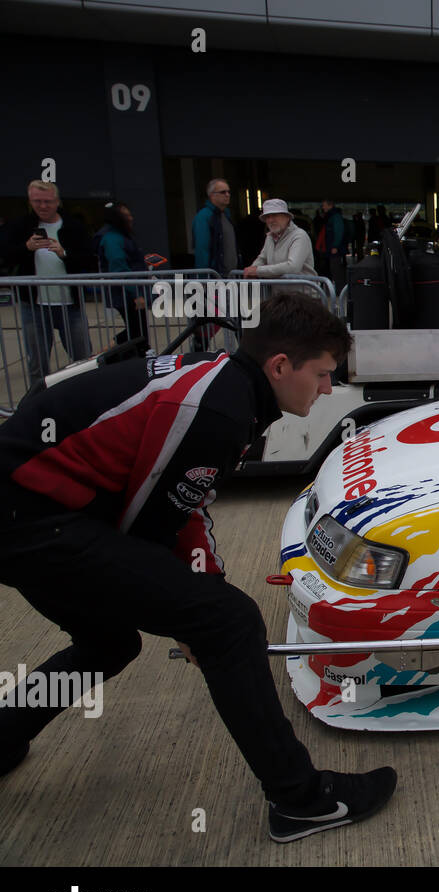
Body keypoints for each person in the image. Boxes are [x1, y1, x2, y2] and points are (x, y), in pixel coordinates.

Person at [0, 293, 397, 843]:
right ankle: (301, 801)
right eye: (324, 375)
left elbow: (181, 508)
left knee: (111, 643)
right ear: (280, 366)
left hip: (34, 510)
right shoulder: (218, 409)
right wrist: (196, 612)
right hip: (30, 517)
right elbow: (144, 529)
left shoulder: (229, 387)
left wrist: (198, 585)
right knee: (228, 622)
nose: (329, 389)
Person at [0, 181, 94, 383]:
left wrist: (64, 253)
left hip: (70, 305)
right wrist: (26, 247)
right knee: (38, 363)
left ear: (57, 201)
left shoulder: (73, 227)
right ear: (30, 201)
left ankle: (86, 398)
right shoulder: (20, 226)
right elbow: (6, 256)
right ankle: (39, 405)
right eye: (37, 201)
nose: (43, 206)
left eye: (48, 202)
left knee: (84, 359)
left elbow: (89, 259)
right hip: (34, 306)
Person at [191, 178, 240, 350]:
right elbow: (203, 250)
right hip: (215, 279)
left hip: (228, 278)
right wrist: (204, 280)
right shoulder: (204, 217)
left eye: (228, 191)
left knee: (236, 318)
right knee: (210, 321)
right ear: (212, 195)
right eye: (223, 192)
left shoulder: (224, 215)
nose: (227, 195)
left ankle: (247, 355)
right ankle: (197, 355)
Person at [94, 201, 149, 346]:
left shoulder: (119, 236)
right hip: (126, 293)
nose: (130, 218)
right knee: (136, 333)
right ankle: (105, 354)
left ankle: (138, 357)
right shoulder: (112, 238)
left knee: (138, 332)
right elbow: (119, 268)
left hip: (129, 291)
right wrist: (136, 294)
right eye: (126, 215)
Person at [242, 199, 316, 278]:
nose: (270, 220)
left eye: (274, 215)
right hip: (277, 290)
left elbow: (293, 267)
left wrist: (257, 271)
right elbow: (262, 259)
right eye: (267, 217)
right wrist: (251, 270)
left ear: (287, 217)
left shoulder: (299, 236)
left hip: (300, 290)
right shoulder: (270, 237)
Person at [316, 200, 347, 293]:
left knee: (336, 270)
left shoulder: (335, 217)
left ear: (330, 206)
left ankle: (340, 291)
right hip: (329, 248)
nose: (323, 207)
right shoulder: (330, 216)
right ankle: (333, 290)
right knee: (330, 269)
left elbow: (338, 231)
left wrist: (335, 246)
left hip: (333, 249)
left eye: (324, 206)